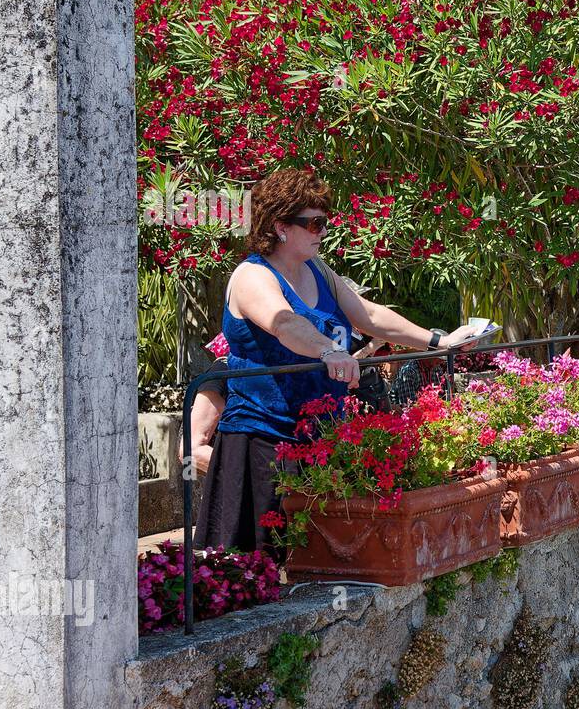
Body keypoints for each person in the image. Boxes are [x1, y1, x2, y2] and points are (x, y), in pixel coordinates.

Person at [194, 167, 482, 553]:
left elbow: (369, 315)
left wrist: (439, 340)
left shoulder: (318, 269)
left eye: (324, 222)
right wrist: (328, 349)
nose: (323, 232)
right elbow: (286, 324)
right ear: (280, 226)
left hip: (320, 435)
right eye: (313, 224)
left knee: (322, 560)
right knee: (262, 567)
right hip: (263, 443)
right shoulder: (252, 277)